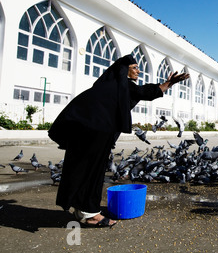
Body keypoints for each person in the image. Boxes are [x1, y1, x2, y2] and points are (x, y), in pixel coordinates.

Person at [48, 54, 189, 228]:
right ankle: (90, 214)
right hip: (95, 137)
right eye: (134, 68)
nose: (139, 71)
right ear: (124, 71)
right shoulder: (120, 87)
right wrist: (169, 83)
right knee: (93, 173)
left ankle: (82, 210)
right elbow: (146, 92)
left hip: (86, 135)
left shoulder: (108, 87)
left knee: (83, 170)